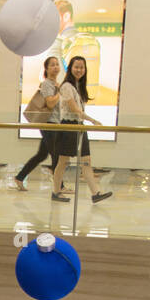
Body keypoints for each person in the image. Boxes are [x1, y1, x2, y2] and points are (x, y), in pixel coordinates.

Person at [50, 57, 113, 204]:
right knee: (63, 162)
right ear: (70, 68)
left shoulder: (79, 87)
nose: (79, 70)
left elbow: (78, 110)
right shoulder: (66, 86)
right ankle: (56, 192)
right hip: (69, 126)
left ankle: (96, 193)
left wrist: (87, 122)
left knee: (86, 161)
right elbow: (74, 109)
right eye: (76, 67)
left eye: (82, 67)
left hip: (79, 127)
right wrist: (92, 121)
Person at [15, 56, 61, 191]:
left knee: (42, 154)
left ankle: (19, 177)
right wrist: (59, 92)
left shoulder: (55, 84)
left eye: (57, 64)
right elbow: (50, 103)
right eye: (52, 65)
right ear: (46, 69)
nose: (55, 67)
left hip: (54, 123)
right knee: (56, 155)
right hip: (48, 123)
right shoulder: (47, 83)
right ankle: (60, 186)